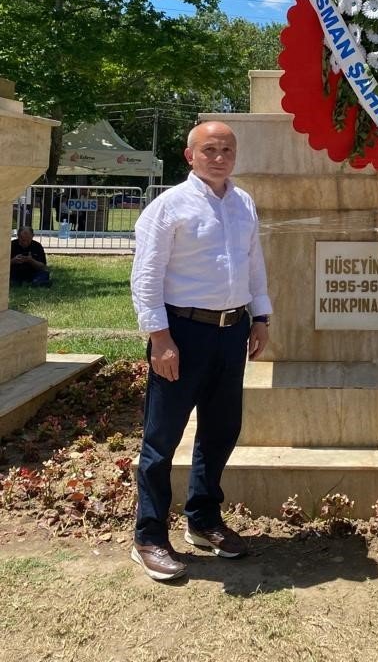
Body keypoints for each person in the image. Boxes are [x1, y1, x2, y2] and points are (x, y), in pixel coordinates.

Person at [130, 121, 272, 582]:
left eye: (227, 148)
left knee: (220, 430)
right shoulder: (168, 207)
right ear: (189, 155)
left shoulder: (243, 202)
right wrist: (159, 337)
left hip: (232, 332)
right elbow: (147, 277)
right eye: (209, 149)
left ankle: (203, 519)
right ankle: (149, 536)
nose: (219, 156)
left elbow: (254, 263)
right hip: (182, 334)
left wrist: (262, 316)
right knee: (162, 438)